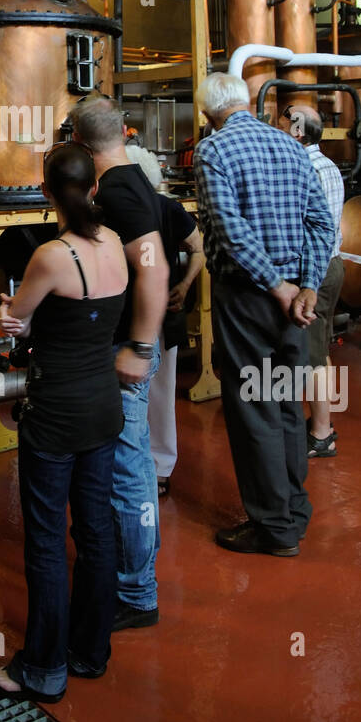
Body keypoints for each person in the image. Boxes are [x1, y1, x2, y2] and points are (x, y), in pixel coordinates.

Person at [0, 142, 128, 703]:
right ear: (94, 189)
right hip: (103, 409)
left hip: (55, 416)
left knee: (45, 542)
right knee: (95, 532)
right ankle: (91, 652)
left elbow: (14, 321)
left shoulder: (51, 255)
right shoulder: (117, 243)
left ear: (47, 194)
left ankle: (43, 668)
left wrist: (8, 314)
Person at [193, 74, 335, 556]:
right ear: (246, 102)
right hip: (296, 301)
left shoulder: (213, 151)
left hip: (251, 298)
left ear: (208, 113)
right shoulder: (291, 146)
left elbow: (230, 231)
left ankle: (273, 528)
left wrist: (278, 288)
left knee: (254, 411)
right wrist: (308, 286)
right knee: (284, 403)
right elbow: (321, 222)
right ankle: (294, 512)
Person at [72, 94, 169, 630]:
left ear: (82, 145)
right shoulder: (134, 182)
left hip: (127, 350)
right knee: (123, 466)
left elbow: (152, 268)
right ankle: (126, 578)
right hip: (119, 346)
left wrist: (140, 347)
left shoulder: (118, 191)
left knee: (129, 472)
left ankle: (136, 594)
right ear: (125, 133)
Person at [280, 103, 345, 459]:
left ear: (297, 130)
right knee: (320, 350)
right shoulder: (329, 165)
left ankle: (322, 434)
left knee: (314, 358)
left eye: (284, 119)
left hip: (314, 272)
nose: (278, 123)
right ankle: (323, 424)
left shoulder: (304, 167)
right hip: (333, 265)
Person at [148, 195, 204, 498]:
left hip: (161, 309)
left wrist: (184, 286)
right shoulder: (164, 205)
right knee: (160, 391)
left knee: (160, 389)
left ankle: (159, 467)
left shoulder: (165, 207)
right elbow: (197, 247)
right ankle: (157, 467)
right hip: (135, 309)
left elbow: (198, 246)